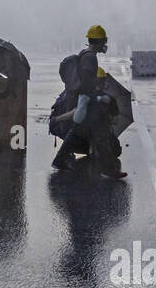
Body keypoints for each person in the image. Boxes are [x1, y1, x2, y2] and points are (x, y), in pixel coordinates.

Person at [50, 25, 126, 177]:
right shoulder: (90, 58)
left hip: (86, 100)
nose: (104, 44)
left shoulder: (86, 54)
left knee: (79, 130)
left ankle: (59, 160)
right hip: (89, 100)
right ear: (98, 41)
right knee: (101, 133)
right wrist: (96, 98)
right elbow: (87, 82)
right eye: (103, 40)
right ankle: (109, 169)